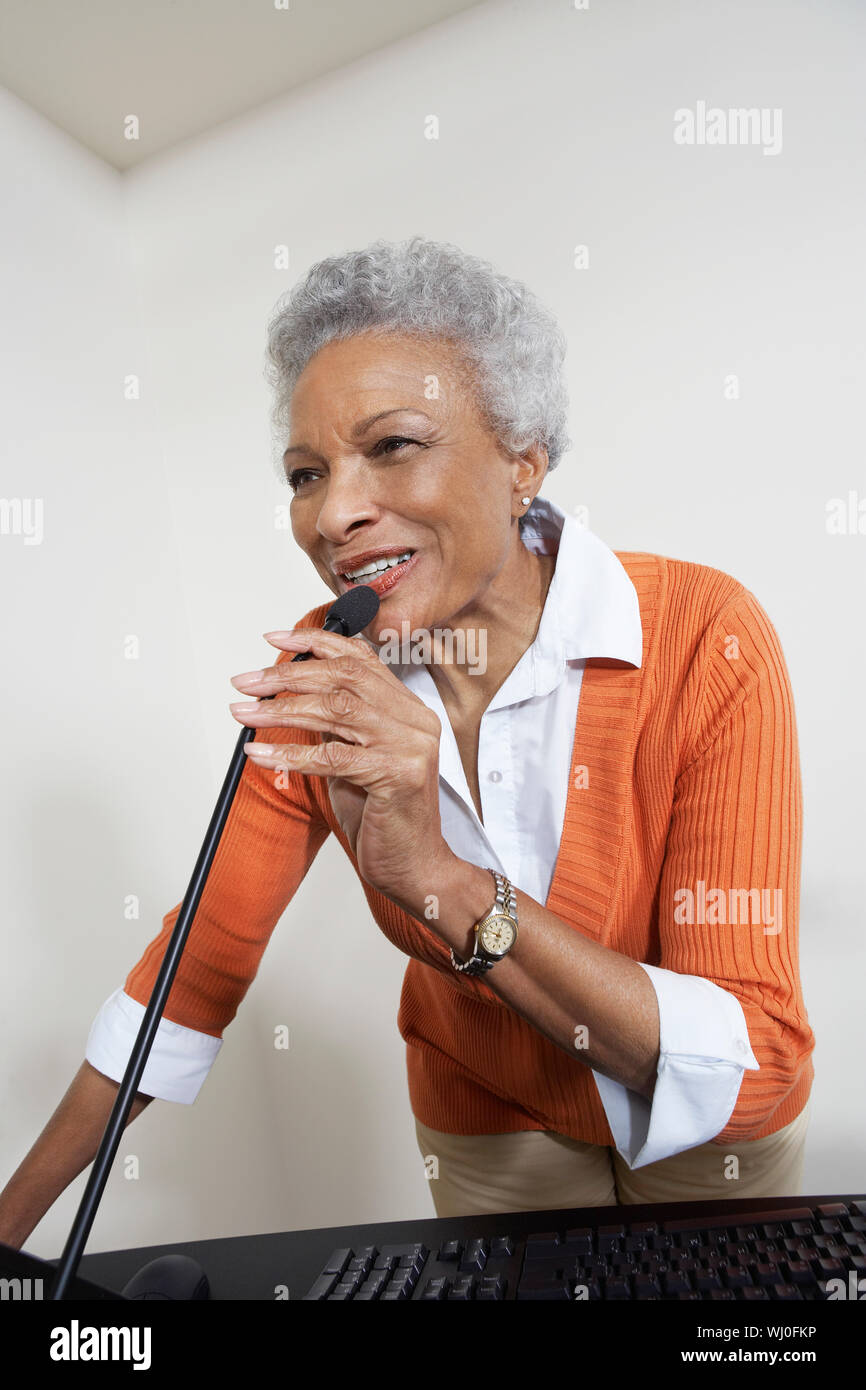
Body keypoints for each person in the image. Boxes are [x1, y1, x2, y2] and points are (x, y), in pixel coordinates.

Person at [0, 236, 814, 1245]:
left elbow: (750, 1055)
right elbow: (195, 968)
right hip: (487, 1118)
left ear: (521, 462)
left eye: (391, 446)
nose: (334, 513)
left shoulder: (703, 635)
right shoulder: (324, 673)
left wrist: (440, 877)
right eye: (306, 473)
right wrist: (10, 1226)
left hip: (703, 1127)